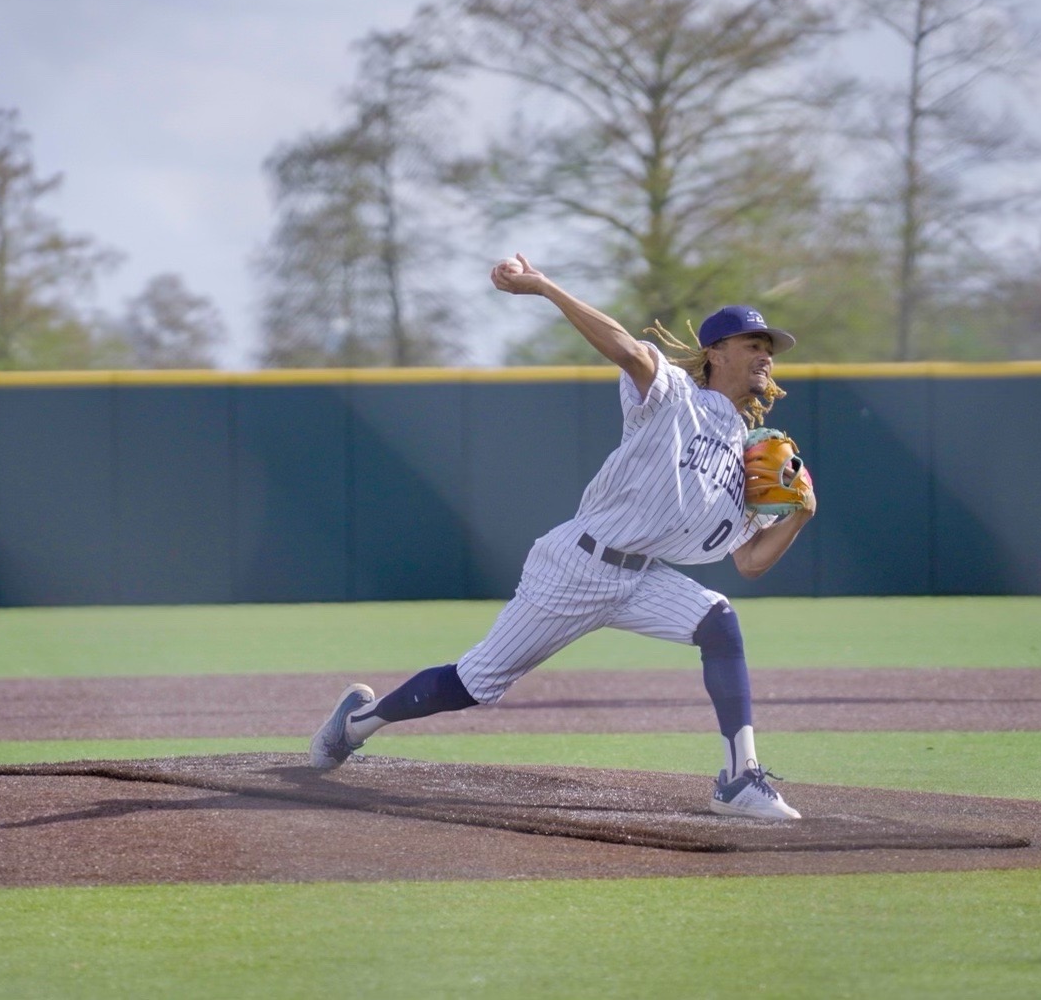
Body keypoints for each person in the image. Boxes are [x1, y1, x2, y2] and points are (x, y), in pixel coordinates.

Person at [309, 252, 818, 819]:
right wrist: (547, 288)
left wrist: (800, 514)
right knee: (475, 684)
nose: (766, 356)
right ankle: (359, 722)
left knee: (719, 620)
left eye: (769, 349)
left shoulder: (748, 455)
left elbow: (750, 561)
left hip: (641, 577)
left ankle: (739, 777)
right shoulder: (676, 396)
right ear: (716, 352)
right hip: (577, 567)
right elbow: (626, 346)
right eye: (754, 345)